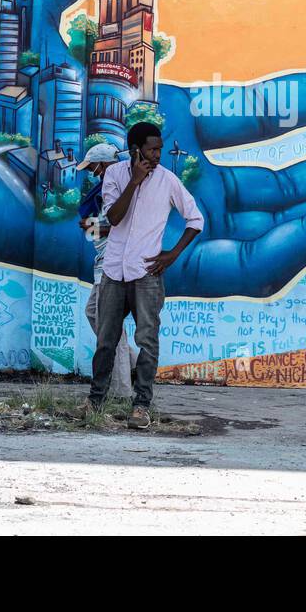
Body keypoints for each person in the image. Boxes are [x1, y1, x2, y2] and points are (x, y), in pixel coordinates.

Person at [84, 122, 203, 429]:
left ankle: (141, 406)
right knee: (106, 341)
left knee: (147, 340)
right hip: (113, 272)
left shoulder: (168, 181)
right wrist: (134, 181)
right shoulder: (114, 174)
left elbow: (195, 219)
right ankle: (94, 401)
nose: (158, 155)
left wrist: (172, 254)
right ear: (135, 149)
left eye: (160, 149)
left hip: (147, 273)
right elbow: (113, 217)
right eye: (152, 149)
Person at [75, 141, 136, 400]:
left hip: (112, 264)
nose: (93, 173)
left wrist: (94, 227)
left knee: (111, 329)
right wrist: (92, 226)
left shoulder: (119, 189)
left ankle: (122, 391)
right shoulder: (108, 189)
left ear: (104, 165)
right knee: (93, 313)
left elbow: (121, 223)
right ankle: (135, 363)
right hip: (103, 262)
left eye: (94, 168)